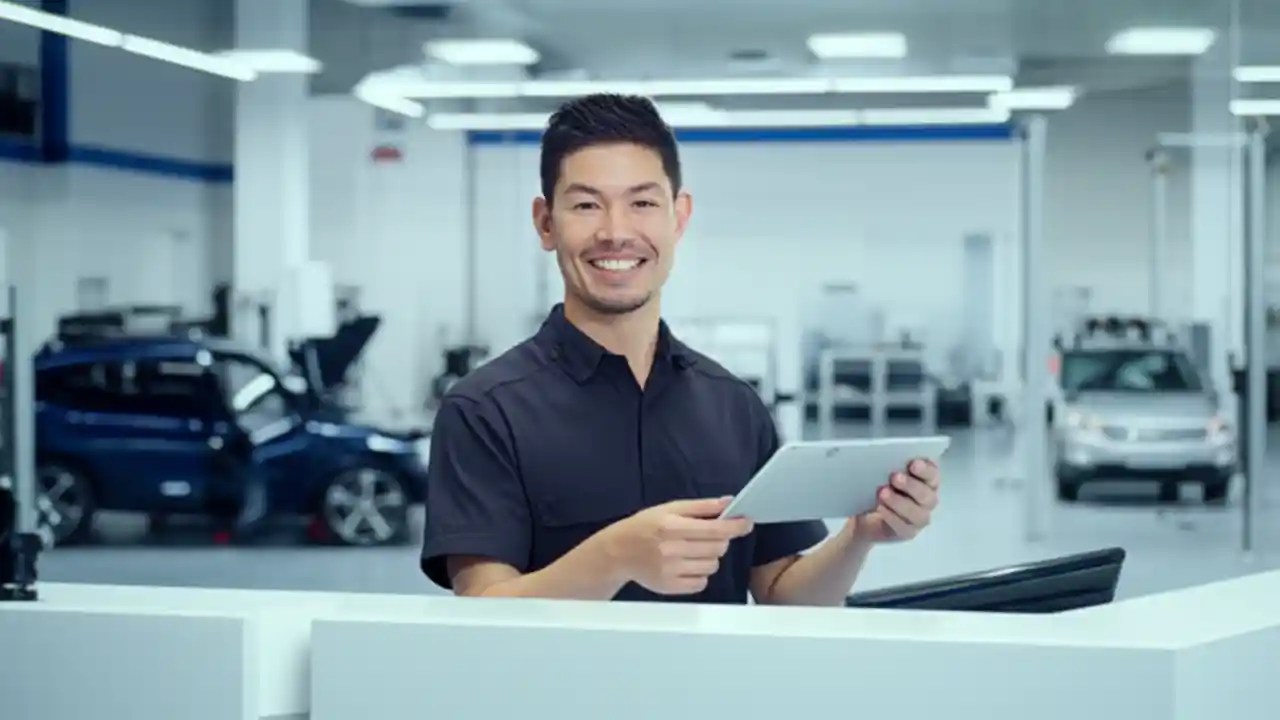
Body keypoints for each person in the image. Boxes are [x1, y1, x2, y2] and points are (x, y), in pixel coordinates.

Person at [420, 93, 941, 605]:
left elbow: (786, 598)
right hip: (561, 693)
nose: (616, 232)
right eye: (585, 205)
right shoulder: (484, 410)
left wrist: (860, 536)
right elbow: (486, 608)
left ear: (679, 217)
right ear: (546, 223)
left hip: (714, 692)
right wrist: (616, 555)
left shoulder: (734, 406)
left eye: (642, 203)